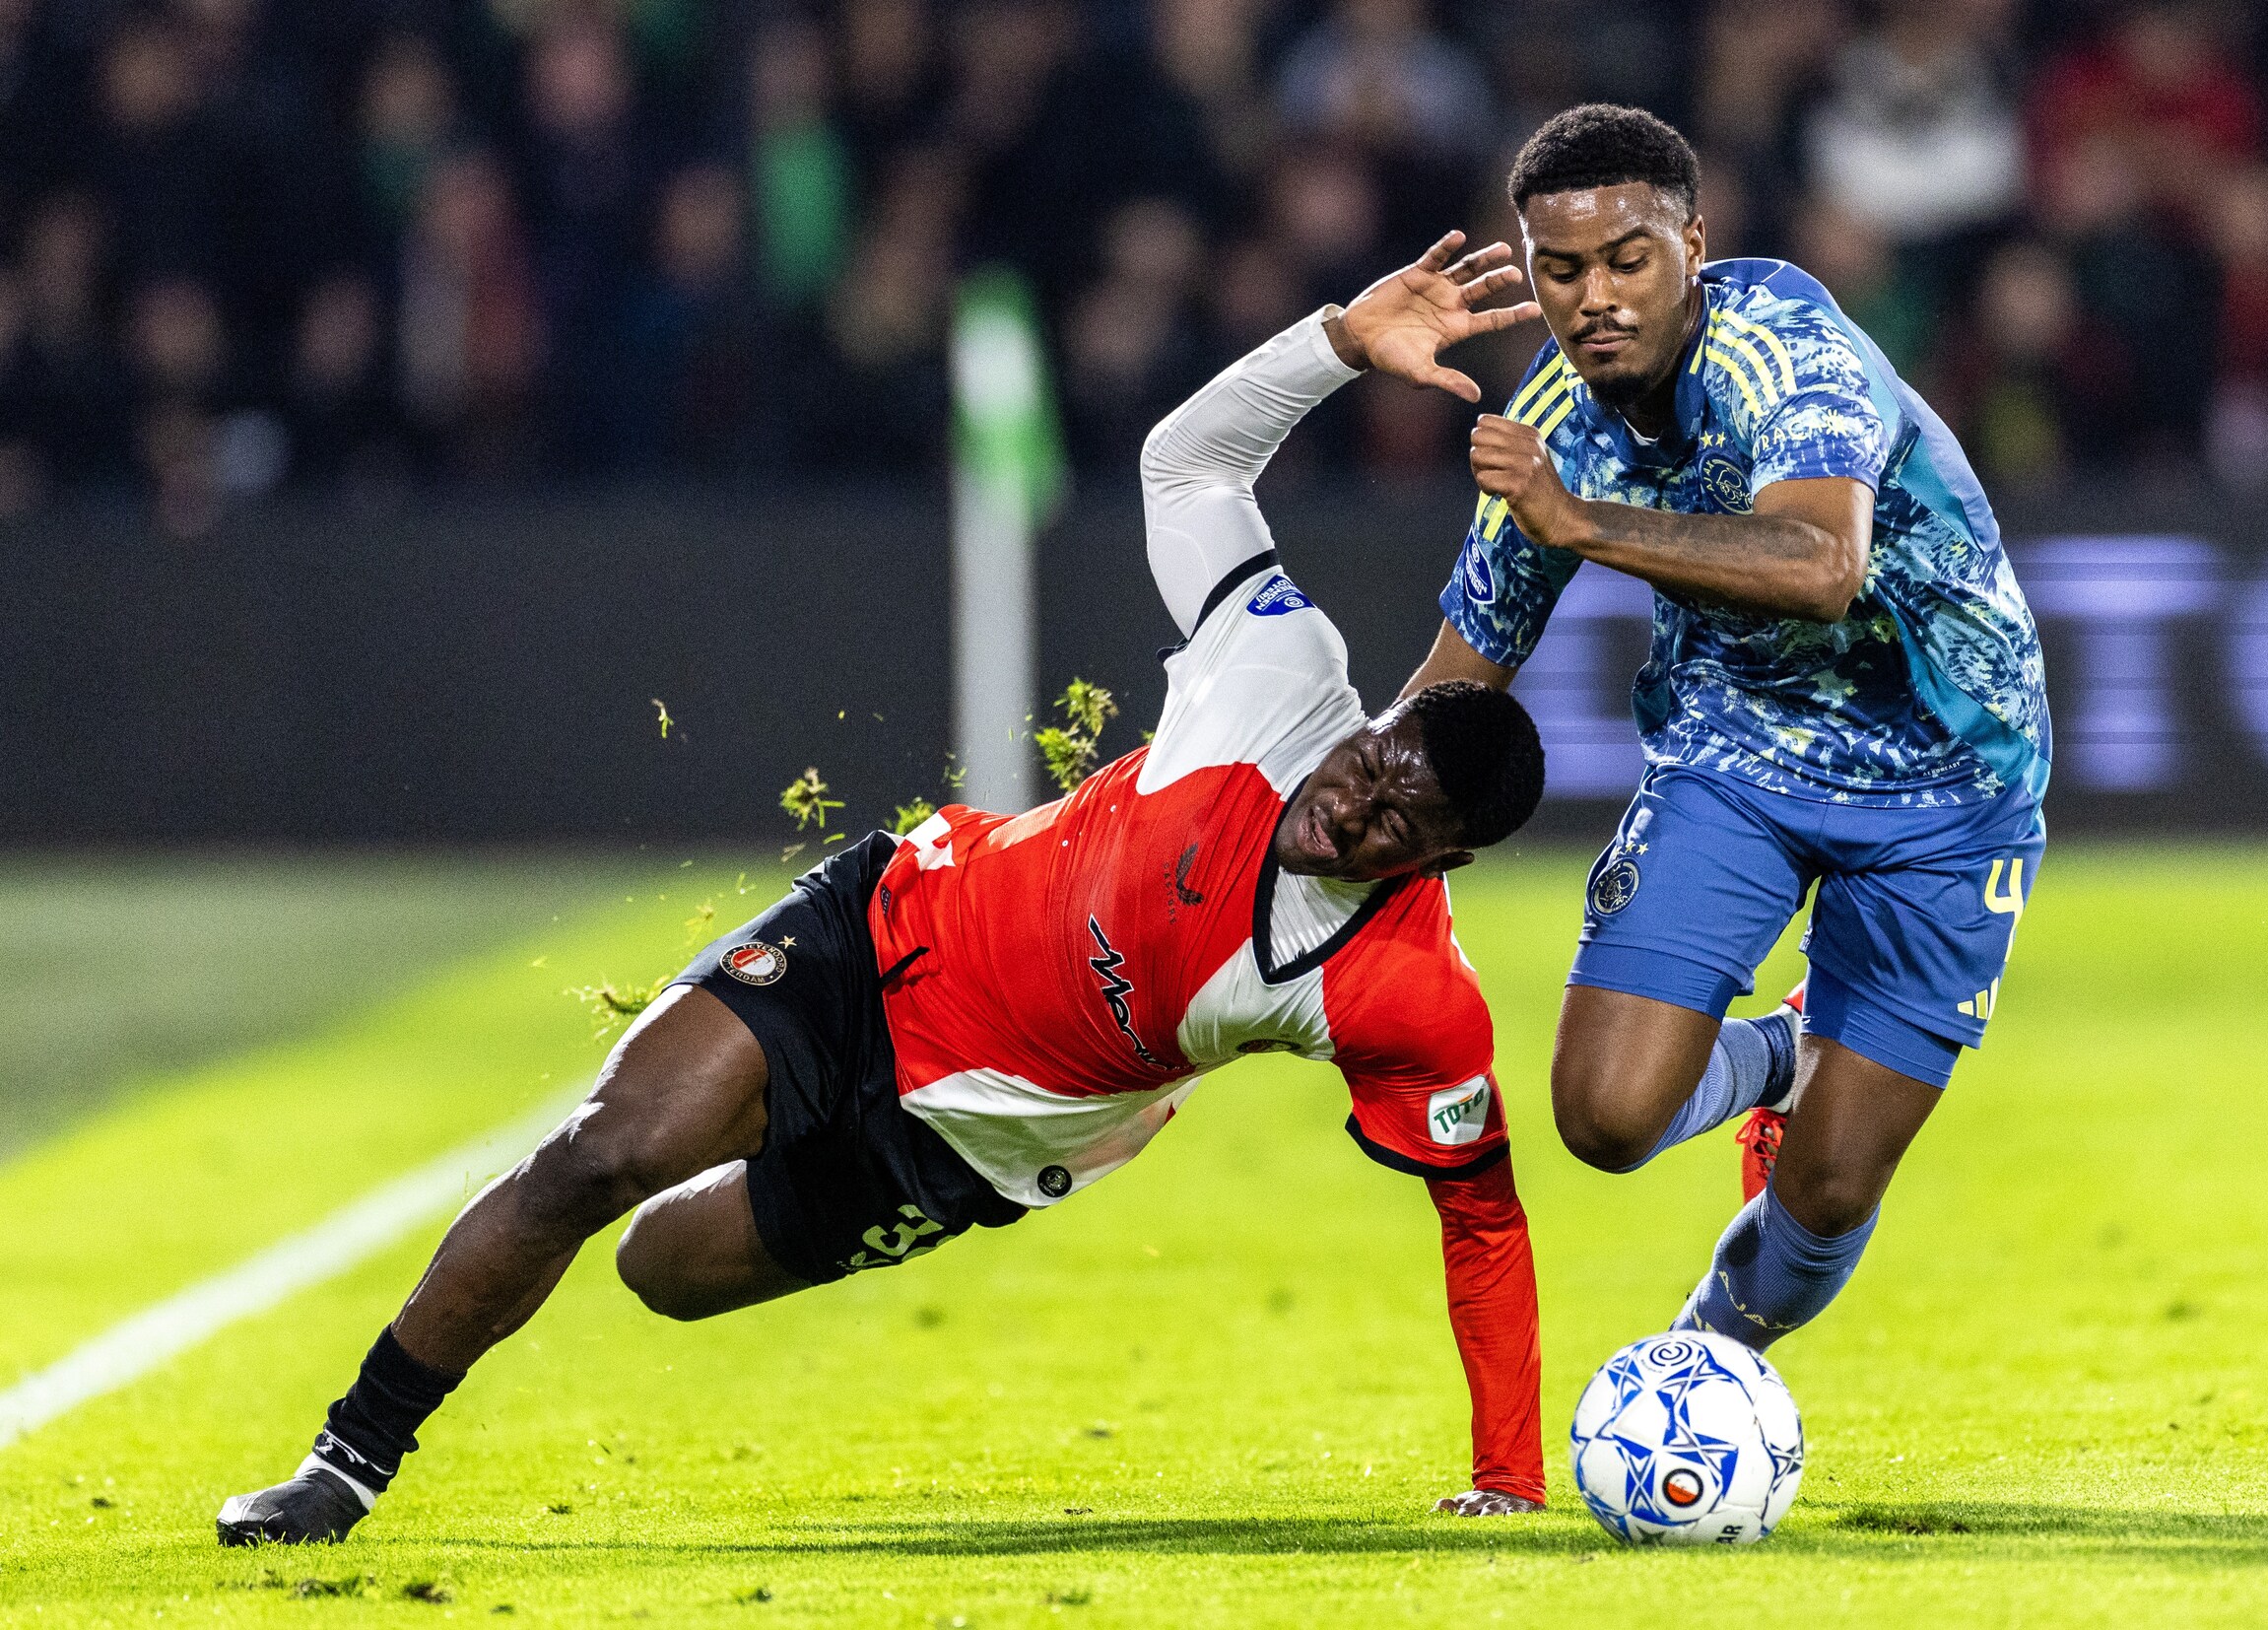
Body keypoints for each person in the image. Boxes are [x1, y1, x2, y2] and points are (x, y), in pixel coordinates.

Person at [216, 232, 1553, 1545]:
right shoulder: (1280, 673)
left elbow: (1480, 1214)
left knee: (661, 1273)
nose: (1354, 802)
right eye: (1375, 761)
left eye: (1397, 821)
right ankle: (347, 1461)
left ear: (1438, 864)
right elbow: (1185, 462)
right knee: (603, 1153)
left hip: (977, 1140)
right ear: (1380, 717)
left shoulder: (1408, 995)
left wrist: (1508, 1474)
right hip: (885, 933)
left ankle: (748, 1148)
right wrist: (1332, 341)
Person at [1405, 104, 2048, 1351]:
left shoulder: (1785, 347)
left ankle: (1701, 1362)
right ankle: (1784, 1048)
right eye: (1560, 269)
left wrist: (1580, 522)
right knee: (1601, 1119)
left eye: (1626, 259)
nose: (1593, 297)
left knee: (1822, 1190)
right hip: (1736, 754)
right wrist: (1289, 838)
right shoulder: (1550, 425)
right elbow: (1452, 686)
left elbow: (1820, 563)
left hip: (1950, 773)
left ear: (1691, 244)